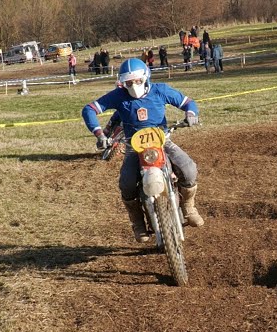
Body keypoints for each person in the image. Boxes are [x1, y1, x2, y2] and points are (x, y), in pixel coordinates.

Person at [82, 58, 204, 244]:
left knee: (188, 169)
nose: (133, 86)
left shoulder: (160, 90)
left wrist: (191, 114)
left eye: (138, 81)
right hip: (133, 146)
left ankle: (189, 207)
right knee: (127, 183)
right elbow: (89, 109)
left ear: (146, 77)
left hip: (162, 140)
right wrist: (99, 134)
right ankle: (138, 222)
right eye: (128, 83)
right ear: (123, 83)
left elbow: (188, 102)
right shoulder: (118, 95)